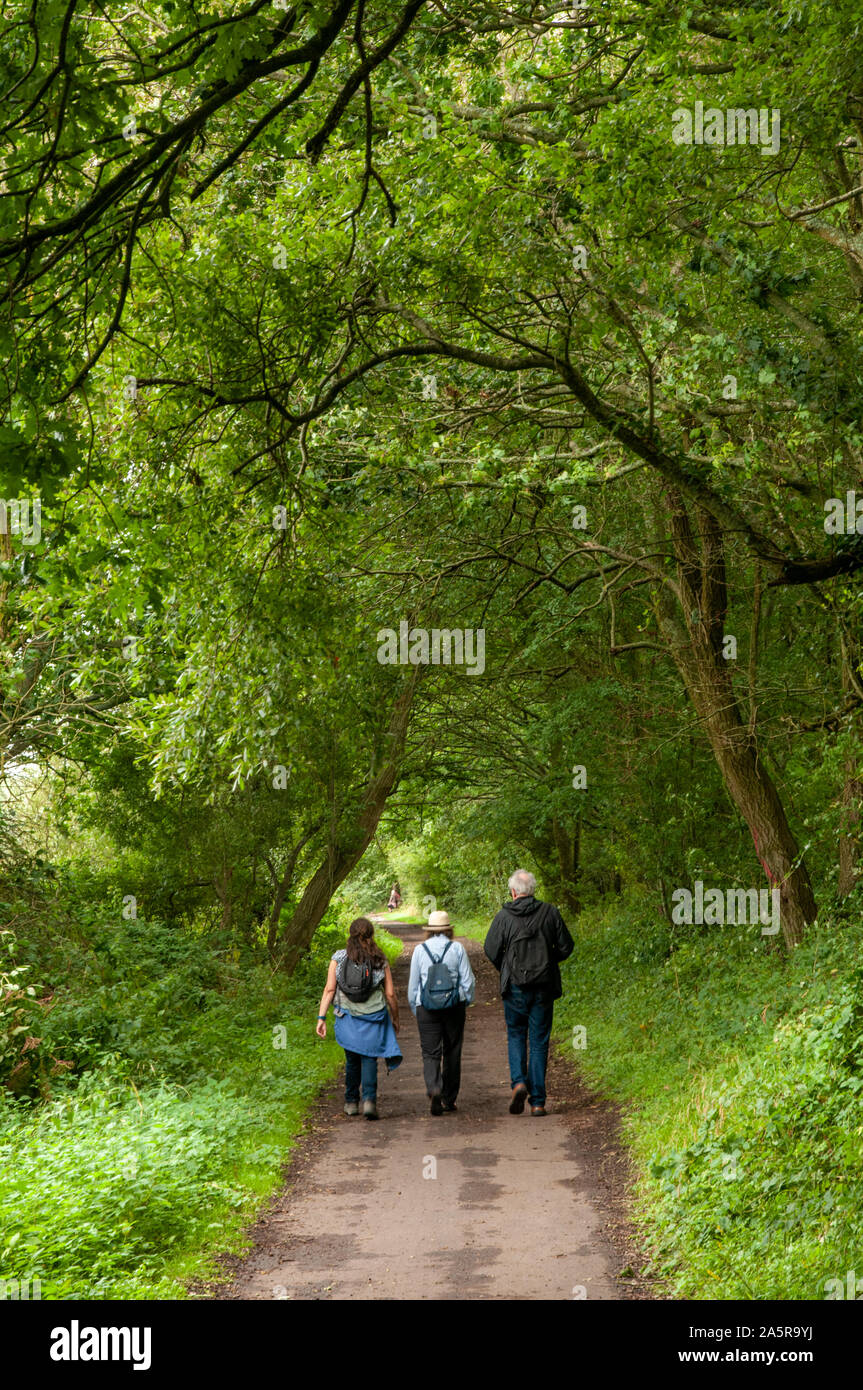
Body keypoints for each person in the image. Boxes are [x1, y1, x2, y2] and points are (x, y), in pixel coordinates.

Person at [484, 869, 573, 1117]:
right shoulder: (550, 913)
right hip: (543, 988)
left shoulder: (504, 916)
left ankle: (519, 1083)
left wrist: (508, 968)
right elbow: (567, 946)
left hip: (515, 988)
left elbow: (490, 950)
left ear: (513, 892)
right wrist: (547, 961)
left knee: (515, 1035)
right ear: (532, 890)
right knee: (539, 1042)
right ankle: (538, 1103)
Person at [316, 917, 401, 1120]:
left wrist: (321, 1017)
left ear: (351, 934)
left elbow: (329, 989)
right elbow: (390, 994)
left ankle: (351, 1102)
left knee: (352, 1059)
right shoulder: (380, 959)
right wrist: (395, 1018)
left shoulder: (338, 957)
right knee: (370, 1057)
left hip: (346, 1017)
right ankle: (370, 1101)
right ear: (371, 935)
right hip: (374, 1016)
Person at [408, 908, 475, 1115]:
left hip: (426, 1007)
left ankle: (434, 1087)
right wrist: (465, 1001)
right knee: (452, 1050)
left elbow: (413, 986)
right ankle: (448, 1098)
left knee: (430, 1052)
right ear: (448, 930)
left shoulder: (420, 950)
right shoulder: (457, 949)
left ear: (429, 930)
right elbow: (468, 981)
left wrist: (416, 1007)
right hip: (453, 1006)